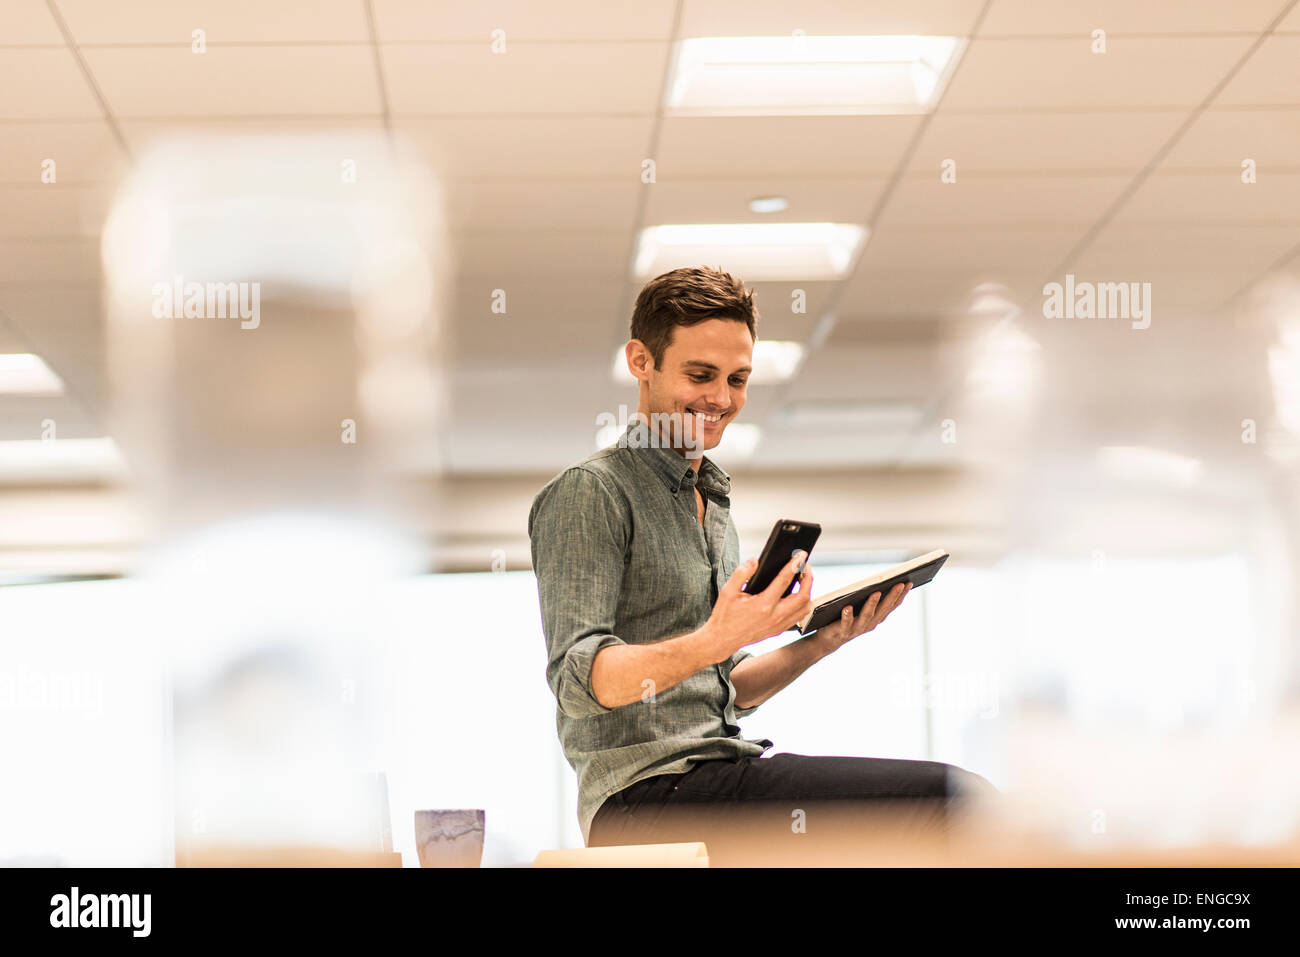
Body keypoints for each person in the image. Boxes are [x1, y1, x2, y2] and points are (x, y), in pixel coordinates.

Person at [527, 265, 997, 855]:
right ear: (640, 361)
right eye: (700, 374)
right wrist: (719, 637)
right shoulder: (592, 492)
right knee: (954, 801)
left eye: (739, 378)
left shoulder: (710, 500)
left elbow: (725, 687)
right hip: (646, 800)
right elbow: (579, 680)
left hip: (718, 774)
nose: (722, 399)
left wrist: (821, 641)